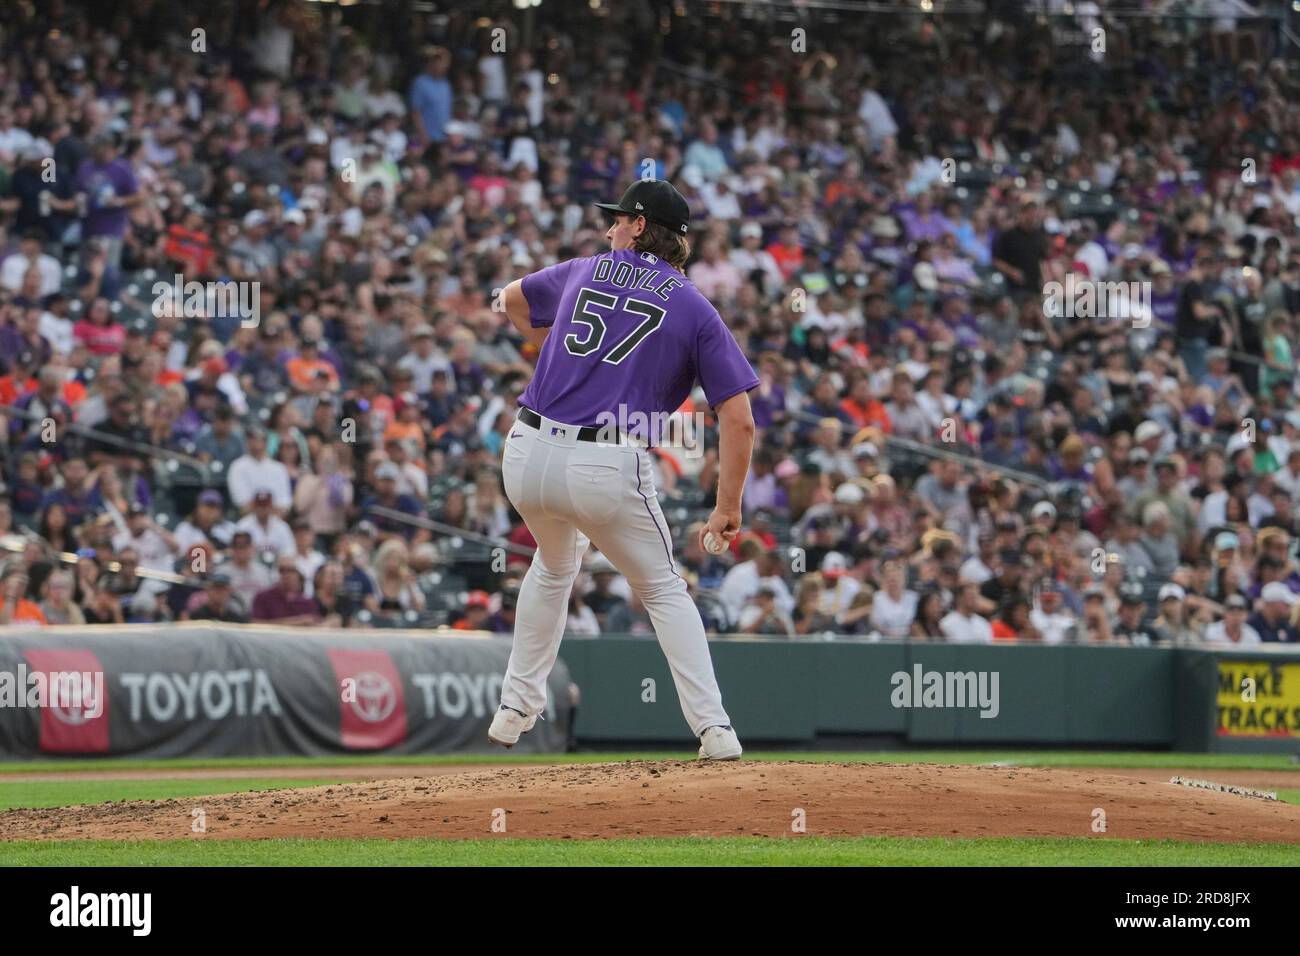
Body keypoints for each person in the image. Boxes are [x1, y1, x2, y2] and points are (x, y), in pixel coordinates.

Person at [489, 179, 757, 759]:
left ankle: (515, 706)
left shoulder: (583, 270)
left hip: (527, 453)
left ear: (639, 226)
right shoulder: (692, 306)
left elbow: (510, 300)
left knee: (554, 565)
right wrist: (728, 505)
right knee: (662, 588)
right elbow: (739, 420)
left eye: (619, 218)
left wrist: (552, 339)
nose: (609, 226)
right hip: (605, 461)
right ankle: (715, 730)